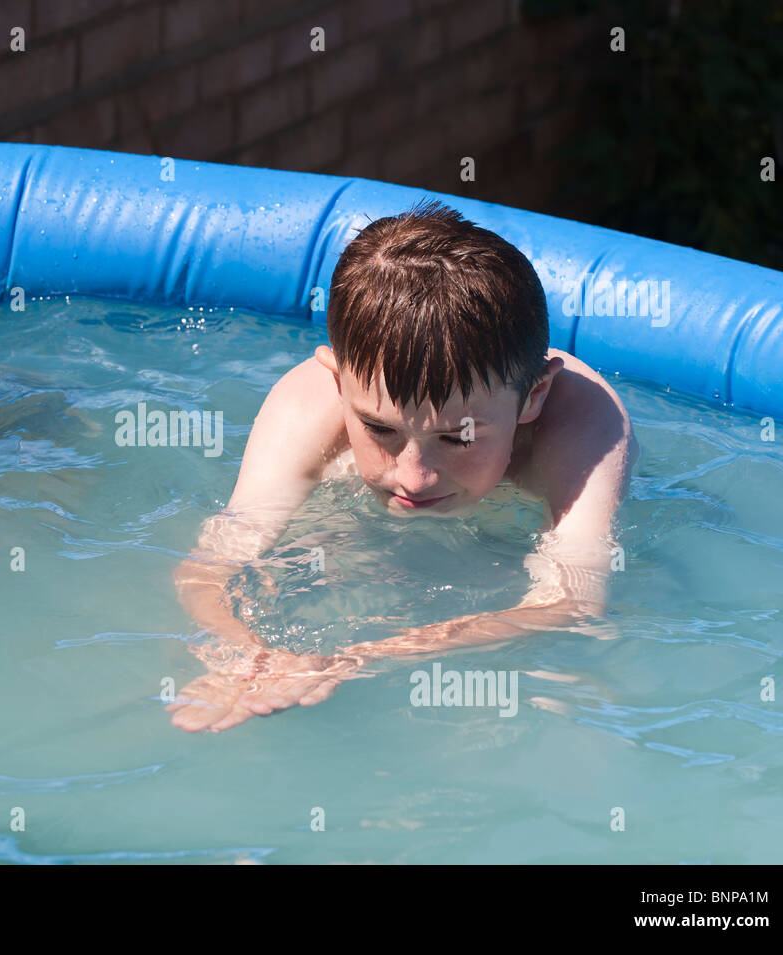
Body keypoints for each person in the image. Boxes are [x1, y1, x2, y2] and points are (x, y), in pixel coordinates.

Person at [169, 199, 636, 732]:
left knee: (565, 693)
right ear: (339, 383)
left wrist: (360, 658)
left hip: (497, 559)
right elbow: (214, 563)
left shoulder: (586, 426)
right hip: (368, 554)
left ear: (534, 396)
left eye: (459, 437)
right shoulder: (307, 405)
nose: (414, 477)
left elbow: (574, 599)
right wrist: (244, 654)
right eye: (380, 430)